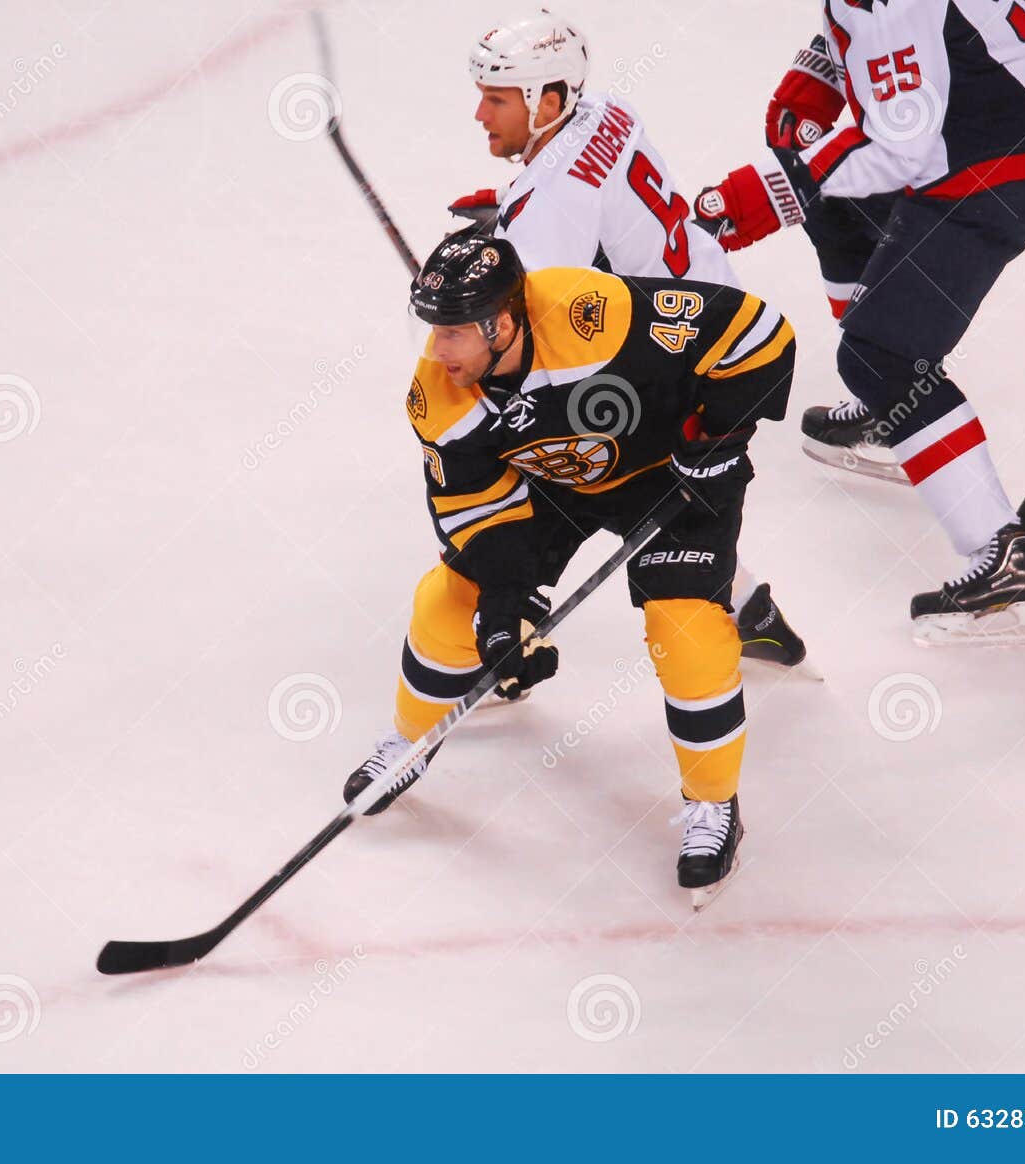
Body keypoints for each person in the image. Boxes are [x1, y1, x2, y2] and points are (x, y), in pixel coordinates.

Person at [341, 232, 796, 903]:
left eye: (453, 332)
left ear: (502, 322)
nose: (437, 350)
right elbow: (479, 517)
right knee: (448, 604)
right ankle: (411, 740)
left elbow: (757, 333)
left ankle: (713, 805)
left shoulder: (591, 316)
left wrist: (721, 438)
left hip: (674, 477)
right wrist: (502, 617)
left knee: (687, 638)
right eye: (431, 329)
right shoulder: (439, 394)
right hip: (551, 486)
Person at [692, 0, 1025, 645]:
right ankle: (895, 413)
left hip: (1008, 143)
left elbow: (896, 145)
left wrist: (770, 191)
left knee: (880, 355)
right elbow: (903, 42)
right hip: (1004, 91)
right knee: (835, 203)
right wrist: (824, 71)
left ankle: (1006, 558)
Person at [449, 8, 808, 668]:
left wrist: (476, 277)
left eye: (495, 99)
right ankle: (752, 612)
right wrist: (509, 219)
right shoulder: (606, 108)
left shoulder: (548, 211)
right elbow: (586, 202)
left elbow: (524, 334)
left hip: (676, 363)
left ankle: (510, 626)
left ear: (547, 99)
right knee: (655, 499)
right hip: (708, 309)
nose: (480, 114)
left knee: (541, 457)